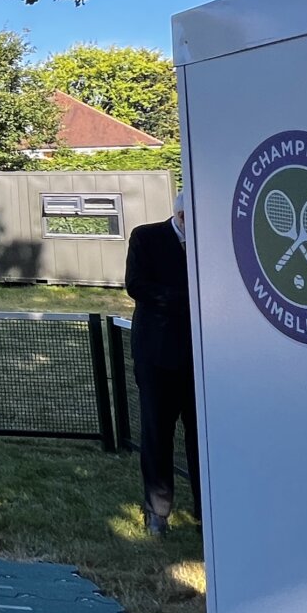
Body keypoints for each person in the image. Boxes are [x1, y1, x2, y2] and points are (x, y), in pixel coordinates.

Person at [124, 189, 200, 537]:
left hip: (200, 358)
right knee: (157, 434)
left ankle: (206, 512)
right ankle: (158, 513)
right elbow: (136, 286)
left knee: (202, 437)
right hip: (157, 356)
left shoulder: (212, 242)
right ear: (182, 217)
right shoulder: (146, 237)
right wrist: (189, 299)